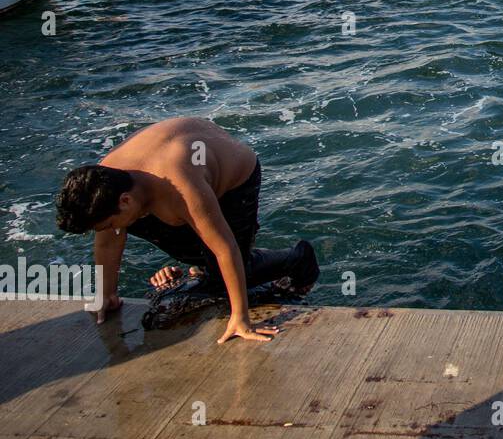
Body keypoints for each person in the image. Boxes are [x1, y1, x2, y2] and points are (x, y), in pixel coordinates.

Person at [55, 117, 319, 344]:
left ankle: (298, 258)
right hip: (181, 161)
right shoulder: (105, 183)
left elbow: (224, 249)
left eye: (109, 224)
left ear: (125, 201)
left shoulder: (180, 188)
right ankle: (206, 263)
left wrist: (241, 319)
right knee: (188, 249)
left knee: (223, 266)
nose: (111, 230)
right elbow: (107, 243)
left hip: (234, 179)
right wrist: (106, 295)